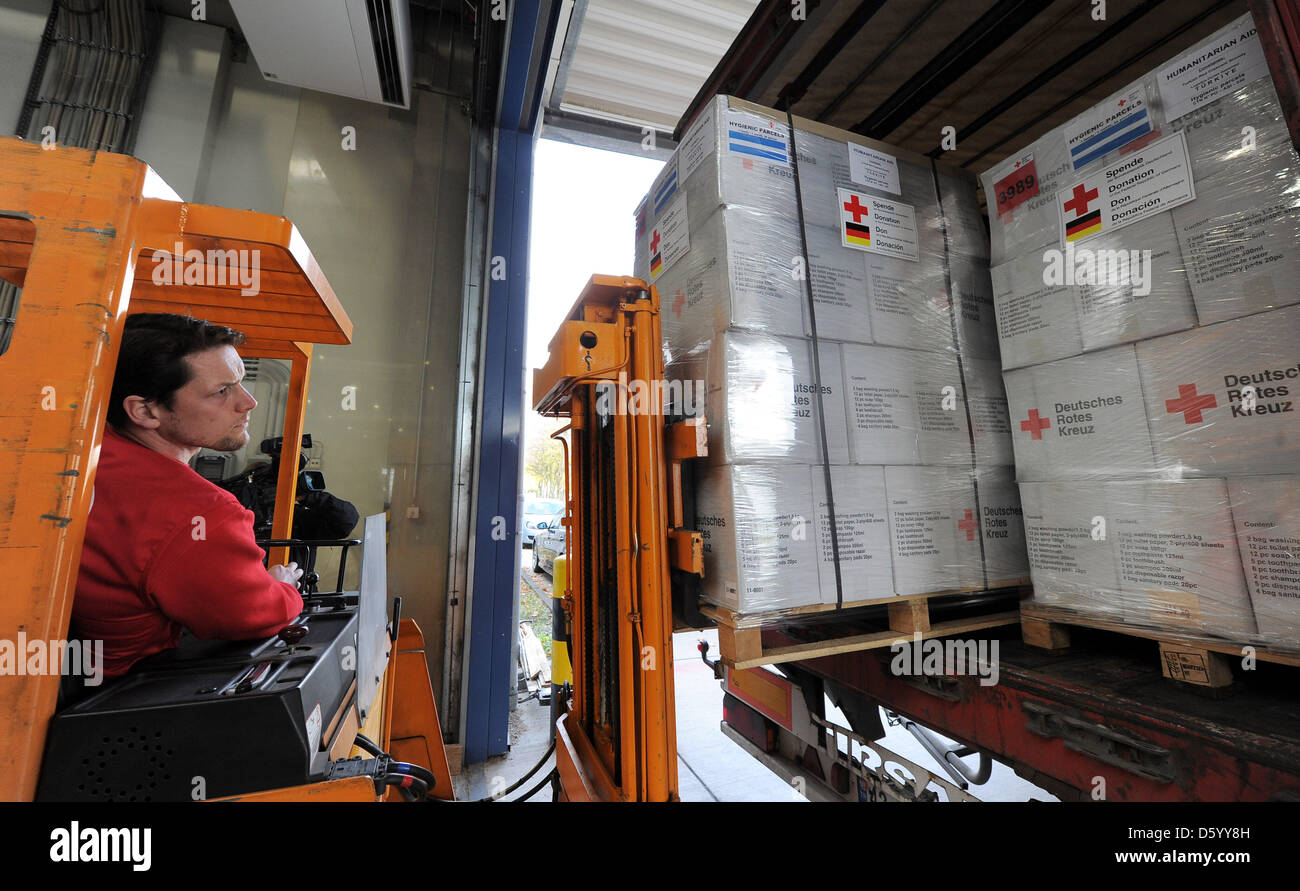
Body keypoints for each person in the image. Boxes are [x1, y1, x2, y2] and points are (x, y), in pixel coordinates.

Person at [72, 313, 305, 680]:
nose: (248, 403)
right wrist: (283, 587)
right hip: (120, 694)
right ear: (145, 411)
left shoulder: (82, 453)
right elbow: (254, 614)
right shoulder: (199, 513)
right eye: (221, 391)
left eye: (241, 383)